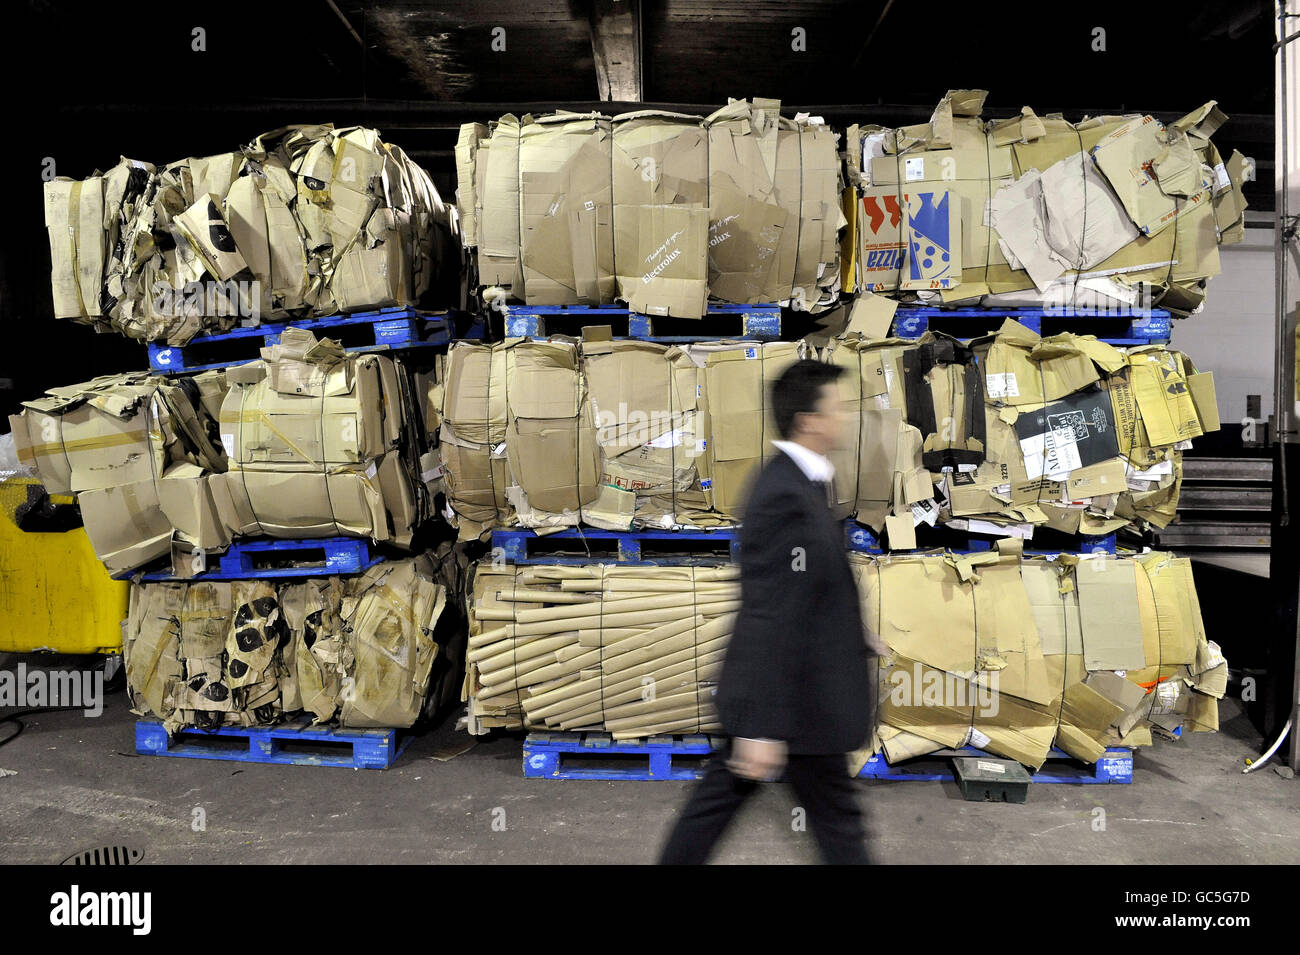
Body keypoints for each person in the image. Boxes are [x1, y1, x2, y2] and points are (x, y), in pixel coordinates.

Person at [658, 358, 884, 865]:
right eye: (839, 408)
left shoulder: (803, 482)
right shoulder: (784, 494)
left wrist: (853, 630)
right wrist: (758, 727)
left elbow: (808, 587)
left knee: (801, 814)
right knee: (825, 819)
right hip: (793, 701)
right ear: (810, 420)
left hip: (804, 696)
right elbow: (771, 610)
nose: (847, 417)